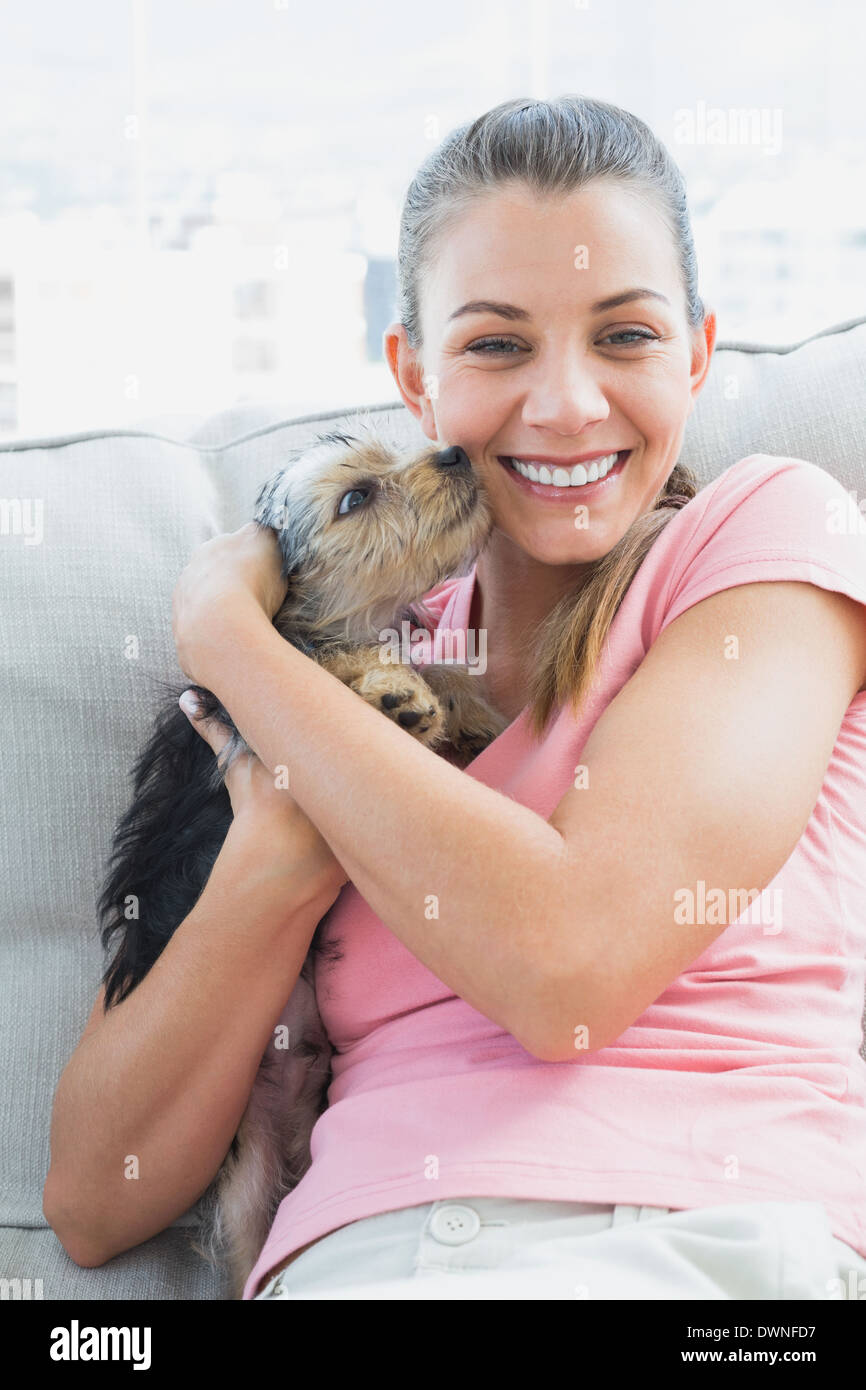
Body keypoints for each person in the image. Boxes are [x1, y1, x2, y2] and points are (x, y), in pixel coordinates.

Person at [46, 95, 866, 1301]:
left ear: (696, 353)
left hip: (706, 1247)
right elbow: (95, 1199)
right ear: (412, 378)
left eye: (624, 336)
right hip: (361, 1268)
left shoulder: (760, 545)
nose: (566, 405)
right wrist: (282, 844)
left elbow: (567, 974)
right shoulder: (352, 687)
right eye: (494, 345)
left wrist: (230, 641)